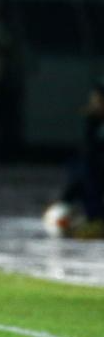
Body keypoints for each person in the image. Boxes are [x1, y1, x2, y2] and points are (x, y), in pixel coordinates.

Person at [56, 78, 104, 238]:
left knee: (89, 170)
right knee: (82, 168)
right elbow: (88, 153)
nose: (94, 103)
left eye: (97, 100)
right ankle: (91, 217)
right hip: (94, 171)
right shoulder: (93, 121)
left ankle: (96, 219)